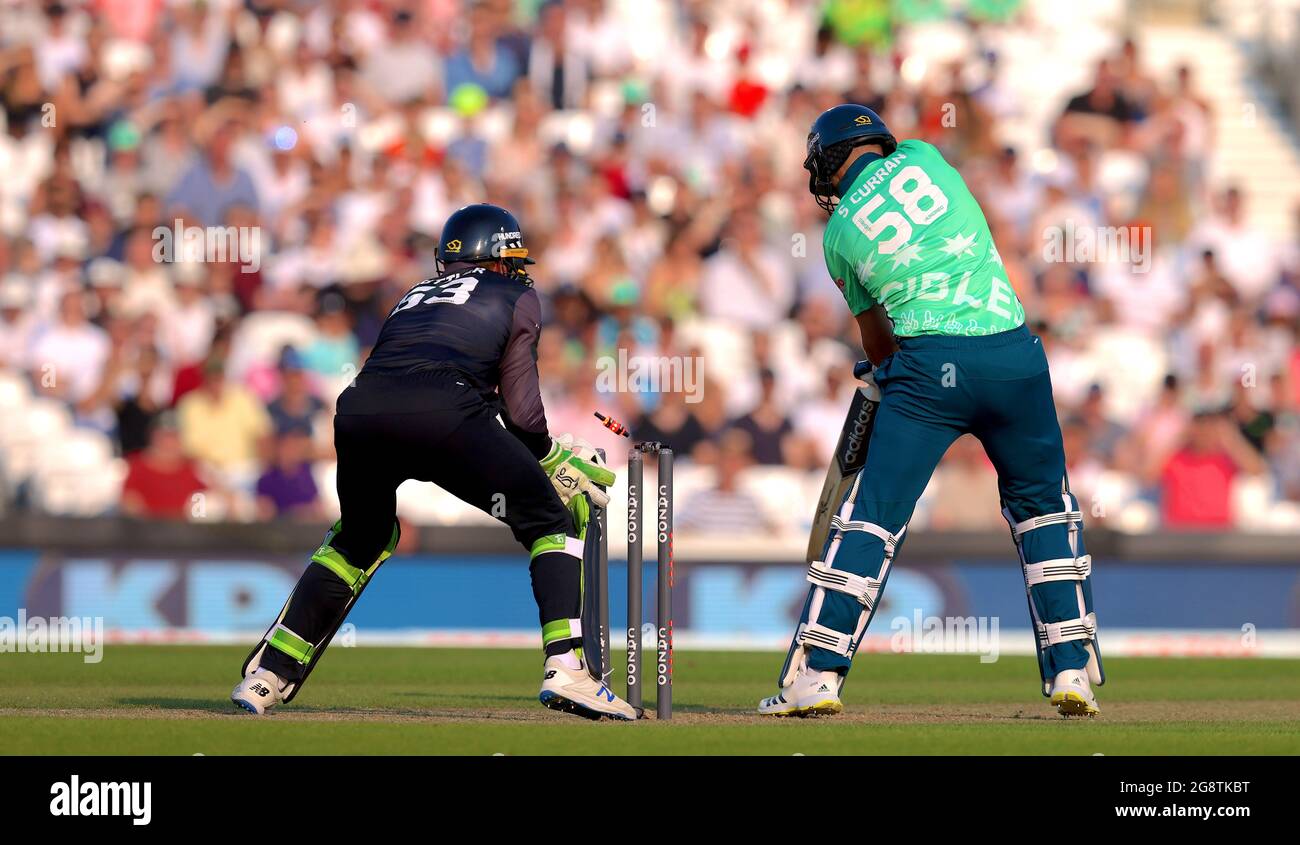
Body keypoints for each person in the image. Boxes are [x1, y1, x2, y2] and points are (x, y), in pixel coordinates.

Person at [759, 105, 1103, 718]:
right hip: (1015, 356)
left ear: (831, 162)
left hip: (930, 370)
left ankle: (815, 678)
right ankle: (1072, 669)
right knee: (1045, 511)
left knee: (873, 520)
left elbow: (876, 338)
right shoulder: (924, 156)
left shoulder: (838, 237)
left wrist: (886, 373)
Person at [232, 204, 636, 720]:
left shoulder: (412, 294)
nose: (516, 271)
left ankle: (268, 675)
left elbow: (398, 368)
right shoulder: (517, 295)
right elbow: (524, 415)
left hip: (358, 415)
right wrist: (549, 456)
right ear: (495, 258)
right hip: (444, 416)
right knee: (550, 518)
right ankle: (567, 669)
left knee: (360, 538)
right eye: (511, 260)